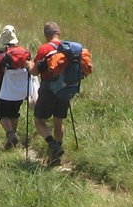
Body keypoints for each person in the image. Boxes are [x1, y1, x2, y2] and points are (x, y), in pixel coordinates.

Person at [32, 22, 91, 163]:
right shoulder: (70, 49)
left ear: (46, 34)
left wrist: (30, 66)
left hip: (48, 88)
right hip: (66, 89)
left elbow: (34, 71)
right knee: (58, 122)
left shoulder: (44, 48)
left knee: (39, 120)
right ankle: (56, 155)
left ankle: (52, 145)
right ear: (58, 33)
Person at [0, 25, 31, 150]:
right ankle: (12, 139)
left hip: (3, 90)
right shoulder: (26, 53)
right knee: (14, 113)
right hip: (20, 90)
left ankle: (10, 134)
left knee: (2, 114)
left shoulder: (2, 57)